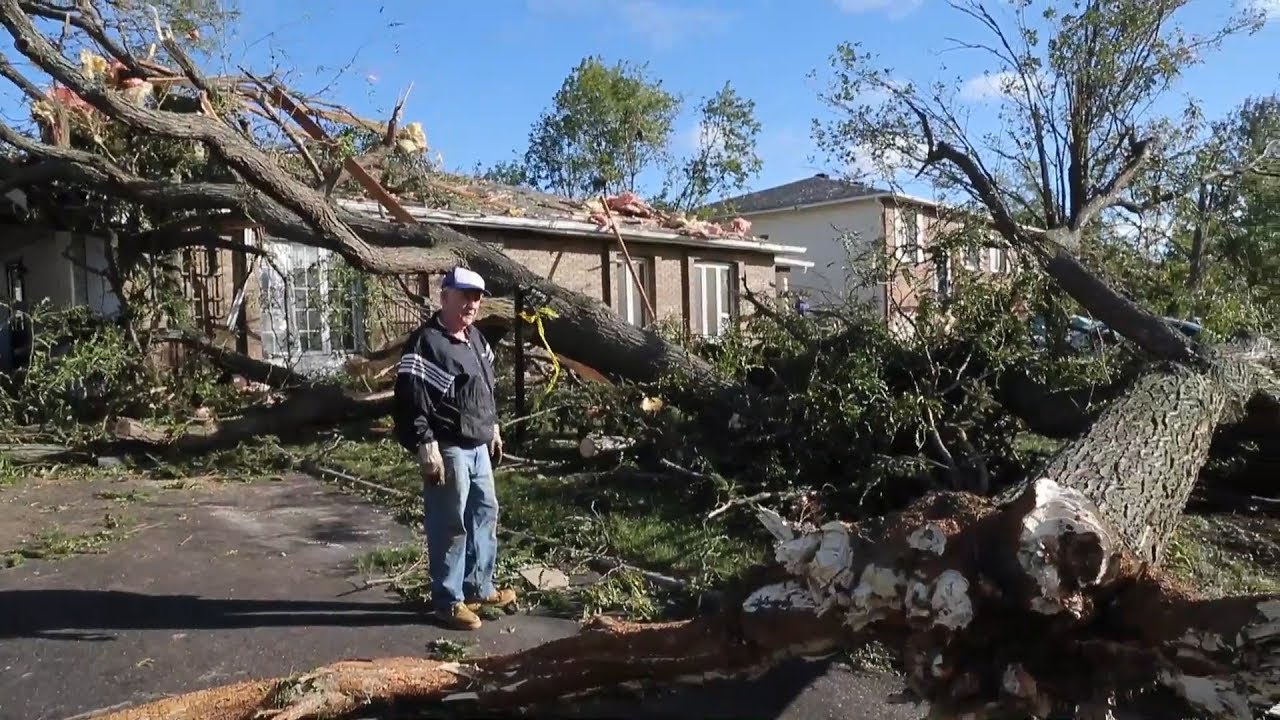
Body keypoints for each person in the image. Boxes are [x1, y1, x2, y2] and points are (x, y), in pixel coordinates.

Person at [393, 266, 516, 630]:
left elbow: (483, 389)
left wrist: (491, 427)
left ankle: (478, 585)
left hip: (478, 446)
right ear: (444, 297)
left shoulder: (475, 339)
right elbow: (409, 402)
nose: (471, 303)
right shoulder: (427, 343)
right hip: (447, 447)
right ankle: (448, 601)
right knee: (450, 524)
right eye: (463, 296)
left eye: (476, 297)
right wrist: (424, 445)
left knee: (484, 515)